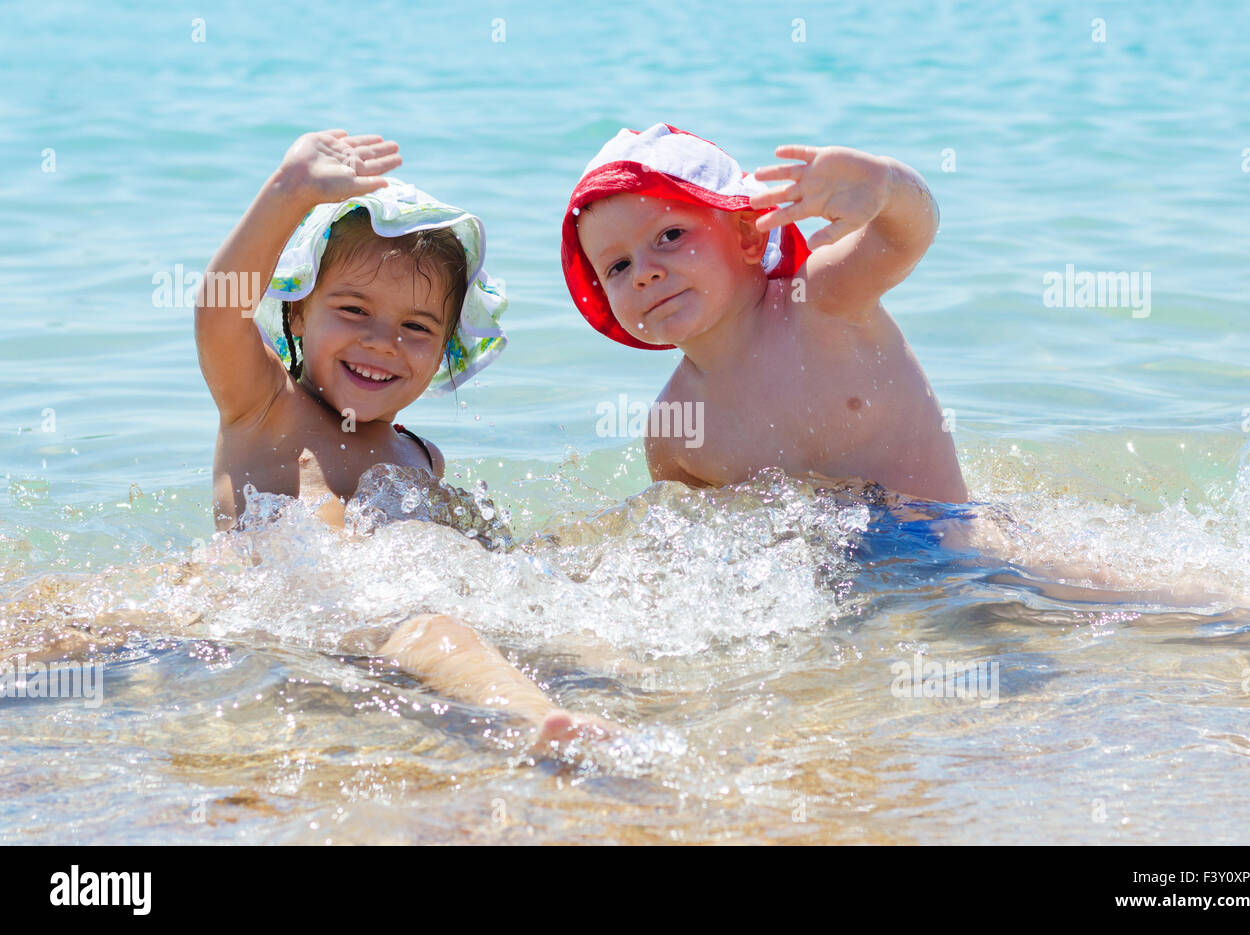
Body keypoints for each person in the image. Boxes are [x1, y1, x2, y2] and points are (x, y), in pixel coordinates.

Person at [196, 129, 610, 752]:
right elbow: (219, 310)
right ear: (299, 311)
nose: (383, 342)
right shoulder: (264, 406)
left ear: (445, 349)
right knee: (439, 635)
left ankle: (634, 690)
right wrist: (288, 193)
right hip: (305, 624)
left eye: (416, 327)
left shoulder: (420, 455)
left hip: (381, 625)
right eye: (354, 311)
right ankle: (537, 724)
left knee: (577, 625)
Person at [562, 123, 968, 504]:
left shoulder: (822, 302)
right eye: (618, 266)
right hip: (839, 578)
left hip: (954, 547)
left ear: (748, 234)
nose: (644, 273)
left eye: (670, 236)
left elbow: (905, 238)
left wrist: (888, 186)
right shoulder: (674, 428)